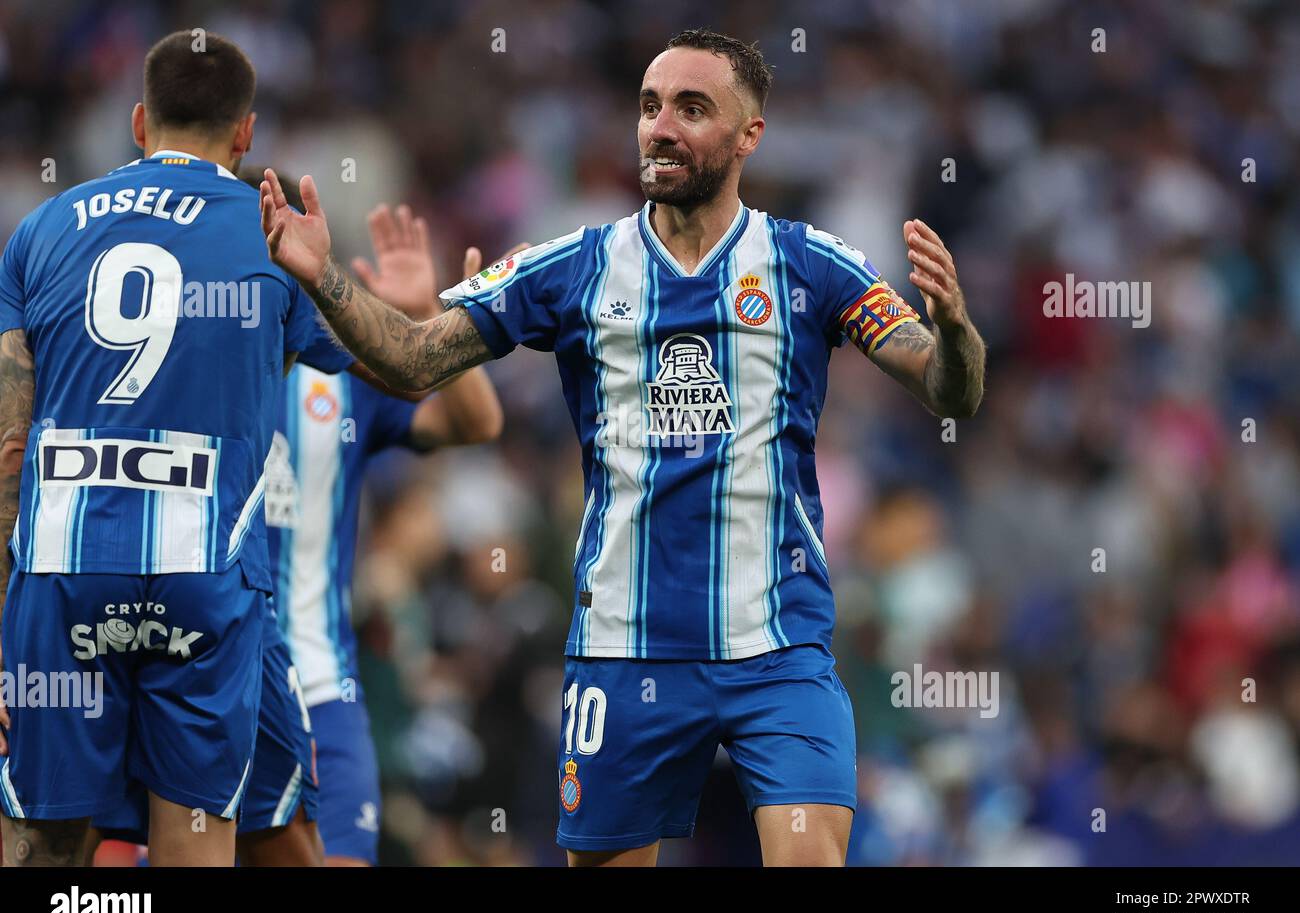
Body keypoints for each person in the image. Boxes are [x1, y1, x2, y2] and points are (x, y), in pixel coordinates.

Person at [260, 28, 986, 867]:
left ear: (750, 134)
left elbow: (948, 389)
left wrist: (958, 333)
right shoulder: (572, 266)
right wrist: (320, 274)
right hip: (623, 652)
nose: (660, 127)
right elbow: (412, 358)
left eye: (690, 108)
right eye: (649, 106)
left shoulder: (810, 264)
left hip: (778, 648)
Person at [0, 30, 356, 866]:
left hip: (63, 572)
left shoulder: (43, 227)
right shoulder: (273, 236)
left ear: (136, 121)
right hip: (207, 577)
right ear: (245, 134)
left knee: (45, 841)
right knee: (204, 837)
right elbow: (393, 363)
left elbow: (9, 447)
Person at [267, 205, 505, 865]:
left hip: (321, 687)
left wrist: (422, 325)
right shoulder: (188, 367)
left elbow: (476, 423)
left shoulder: (342, 374)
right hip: (205, 685)